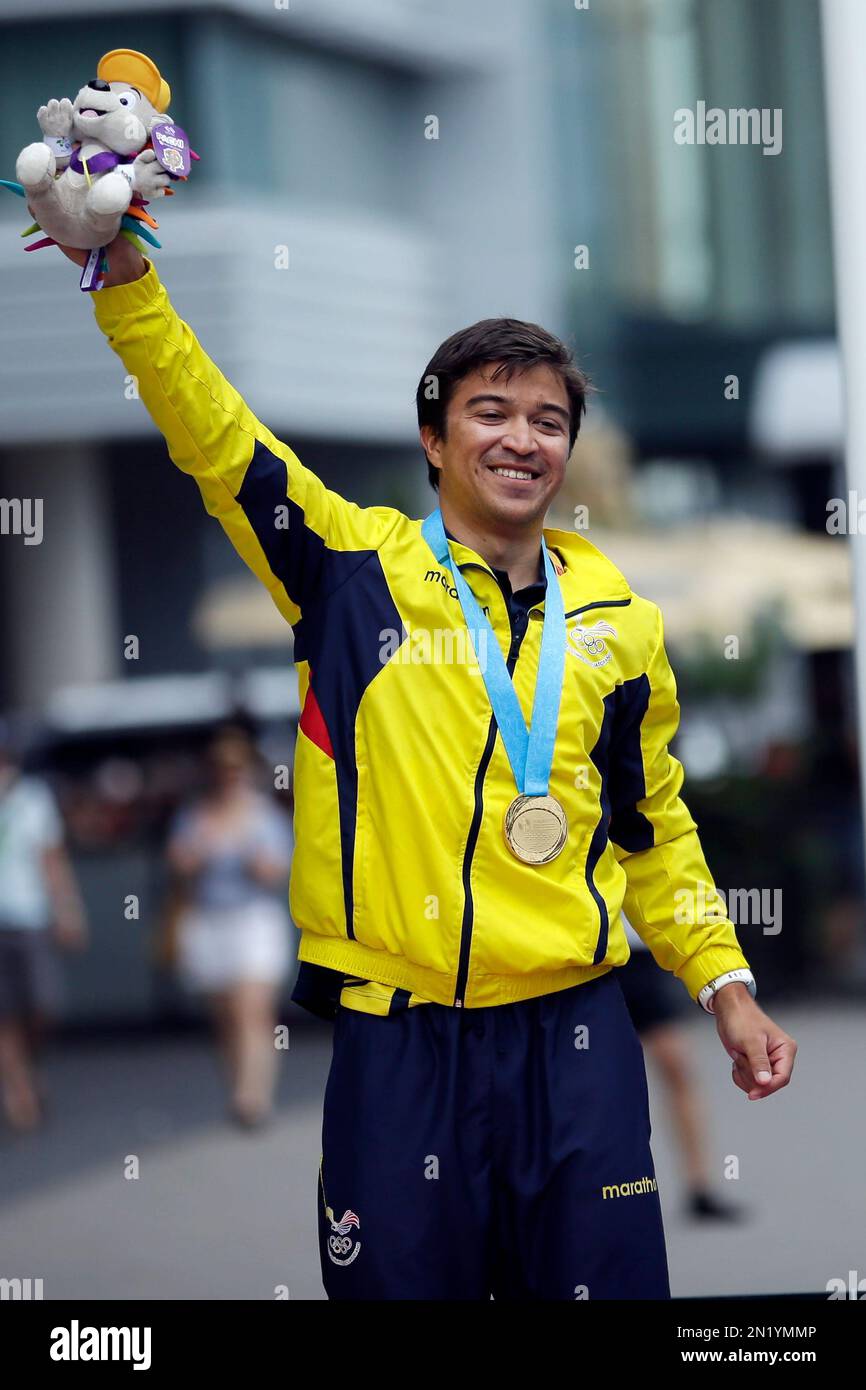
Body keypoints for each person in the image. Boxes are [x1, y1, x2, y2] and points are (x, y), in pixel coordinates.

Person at [55, 230, 796, 1300]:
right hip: (399, 1044)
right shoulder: (350, 573)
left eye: (547, 420)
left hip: (574, 1034)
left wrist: (724, 983)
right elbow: (219, 443)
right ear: (432, 439)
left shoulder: (621, 627)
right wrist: (127, 283)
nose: (520, 439)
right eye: (488, 412)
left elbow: (651, 827)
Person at [164, 726, 294, 1128]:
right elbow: (178, 864)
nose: (228, 775)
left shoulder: (263, 815)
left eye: (236, 768)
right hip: (209, 919)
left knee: (251, 1009)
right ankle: (240, 1083)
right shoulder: (196, 814)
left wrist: (253, 861)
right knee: (225, 1014)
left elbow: (275, 870)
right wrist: (199, 853)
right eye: (222, 768)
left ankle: (252, 1097)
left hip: (253, 919)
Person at [617, 914, 744, 1221]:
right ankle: (603, 1190)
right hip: (589, 954)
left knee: (678, 1066)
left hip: (643, 954)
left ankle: (700, 1187)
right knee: (601, 1080)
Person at [0, 721, 87, 1131]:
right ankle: (19, 1096)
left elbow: (51, 860)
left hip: (29, 918)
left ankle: (29, 1070)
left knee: (41, 1007)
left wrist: (67, 910)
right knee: (4, 1018)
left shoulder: (33, 800)